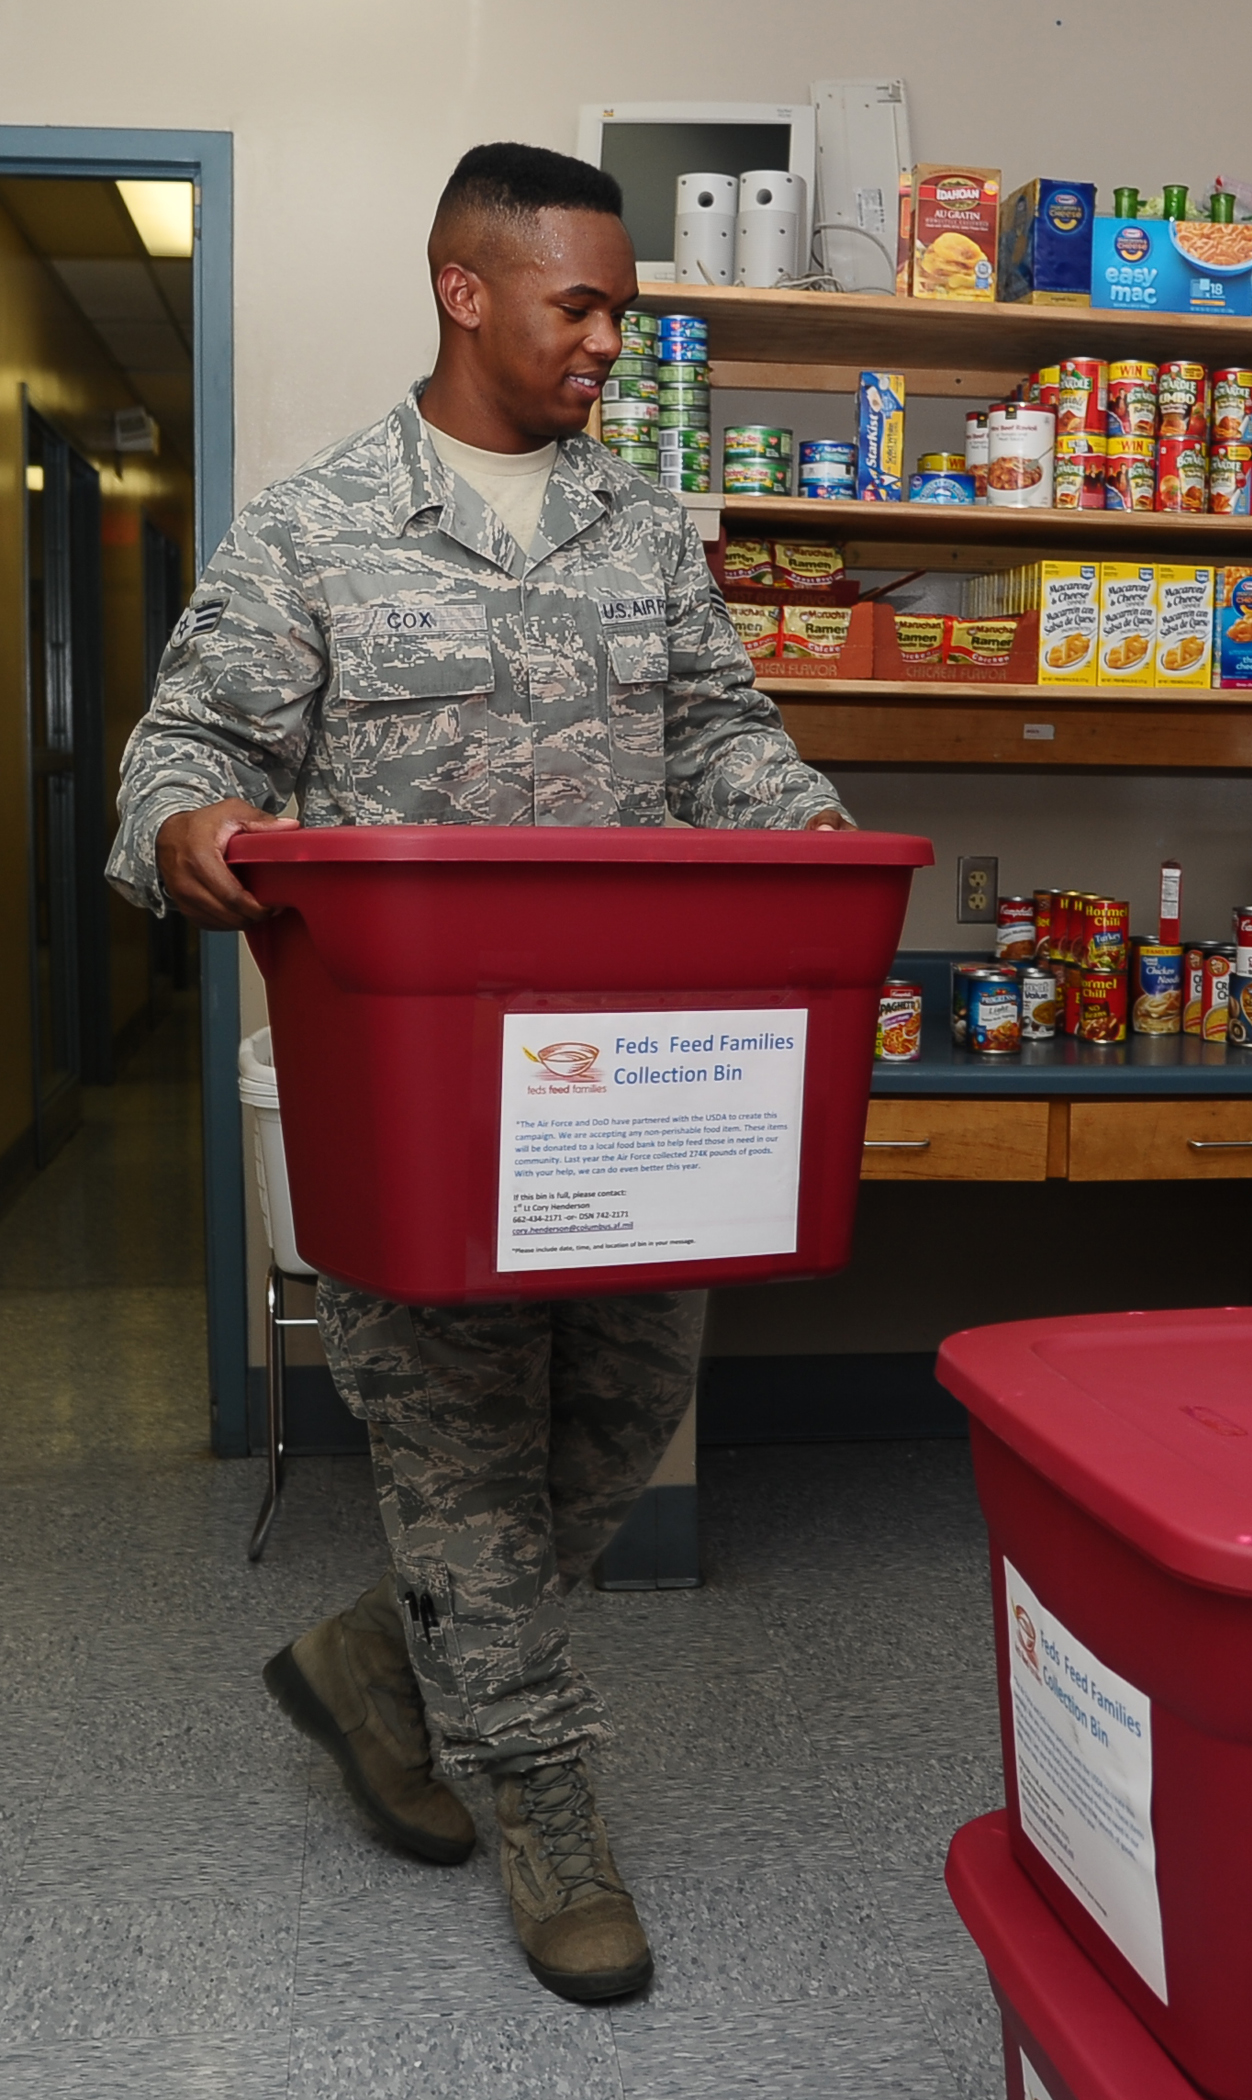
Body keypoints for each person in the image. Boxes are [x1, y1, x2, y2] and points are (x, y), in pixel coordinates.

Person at [107, 140, 851, 2004]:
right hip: (414, 1102)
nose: (608, 340)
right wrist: (186, 823)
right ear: (465, 290)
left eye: (622, 311)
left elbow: (723, 736)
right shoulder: (317, 525)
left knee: (617, 1423)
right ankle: (545, 1805)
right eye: (579, 304)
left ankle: (373, 1659)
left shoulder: (644, 528)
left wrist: (815, 841)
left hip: (633, 1089)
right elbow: (188, 741)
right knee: (459, 1454)